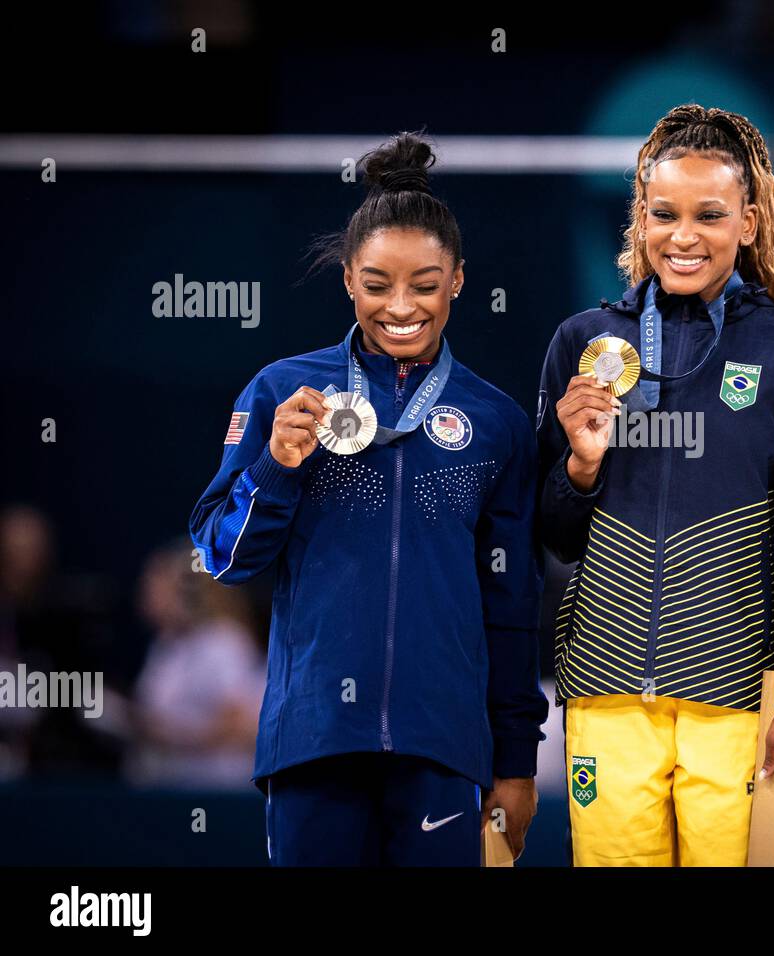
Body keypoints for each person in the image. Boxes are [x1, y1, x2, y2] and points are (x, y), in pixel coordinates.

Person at [190, 132, 546, 866]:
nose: (402, 306)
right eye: (378, 284)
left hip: (442, 748)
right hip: (313, 741)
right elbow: (220, 557)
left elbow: (511, 609)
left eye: (425, 283)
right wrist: (278, 466)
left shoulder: (496, 422)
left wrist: (515, 759)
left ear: (458, 282)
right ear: (349, 280)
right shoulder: (282, 394)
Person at [536, 104, 774, 866]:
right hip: (606, 691)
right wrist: (579, 467)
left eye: (709, 215)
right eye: (664, 213)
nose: (684, 236)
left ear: (748, 222)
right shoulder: (584, 343)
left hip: (739, 696)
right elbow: (549, 532)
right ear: (639, 218)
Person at [128, 539, 264, 790]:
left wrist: (170, 737)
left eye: (160, 585)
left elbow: (241, 726)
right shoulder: (165, 645)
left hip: (216, 790)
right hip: (165, 783)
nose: (149, 593)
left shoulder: (224, 642)